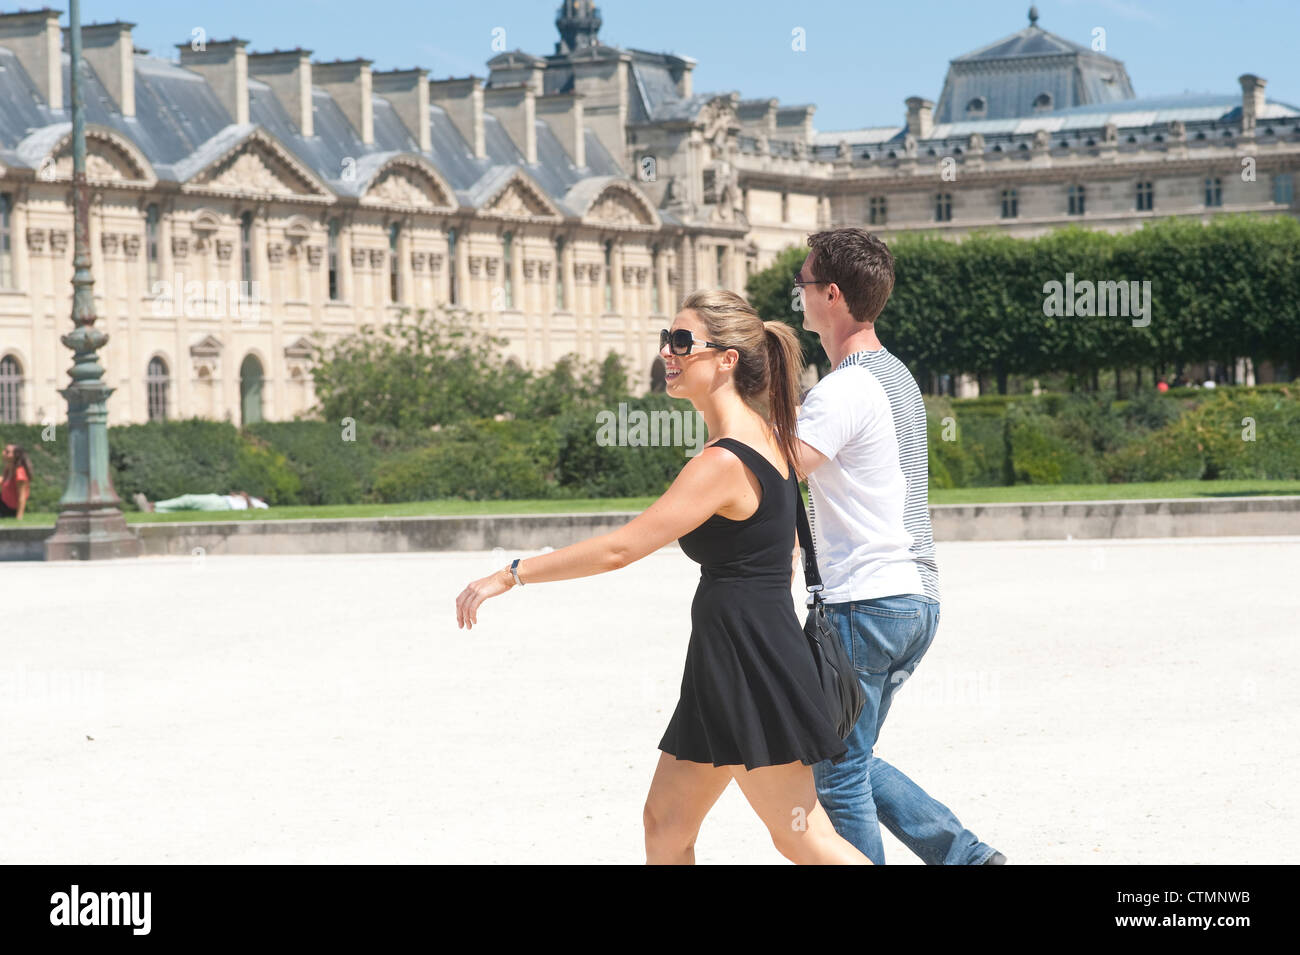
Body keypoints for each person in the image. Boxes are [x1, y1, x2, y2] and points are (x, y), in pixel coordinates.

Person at [454, 289, 869, 865]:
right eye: (665, 341)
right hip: (732, 656)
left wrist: (513, 573)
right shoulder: (766, 439)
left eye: (681, 342)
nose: (667, 353)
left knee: (801, 835)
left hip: (751, 662)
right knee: (666, 824)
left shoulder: (723, 460)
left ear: (726, 358)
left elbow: (621, 549)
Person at [793, 227, 1004, 865]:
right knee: (853, 761)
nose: (796, 294)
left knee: (835, 774)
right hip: (914, 601)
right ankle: (967, 859)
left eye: (802, 283)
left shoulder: (842, 389)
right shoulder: (896, 377)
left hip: (864, 604)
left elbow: (775, 470)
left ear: (831, 294)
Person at [134, 491, 268, 513]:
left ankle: (154, 505)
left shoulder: (262, 505)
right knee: (186, 507)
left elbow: (253, 510)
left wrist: (247, 499)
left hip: (222, 504)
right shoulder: (252, 500)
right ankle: (153, 510)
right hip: (221, 499)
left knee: (188, 500)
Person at [1, 443, 33, 520]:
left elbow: (22, 496)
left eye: (7, 452)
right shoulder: (8, 469)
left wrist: (19, 517)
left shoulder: (20, 473)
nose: (3, 453)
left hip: (9, 509)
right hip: (2, 502)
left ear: (15, 456)